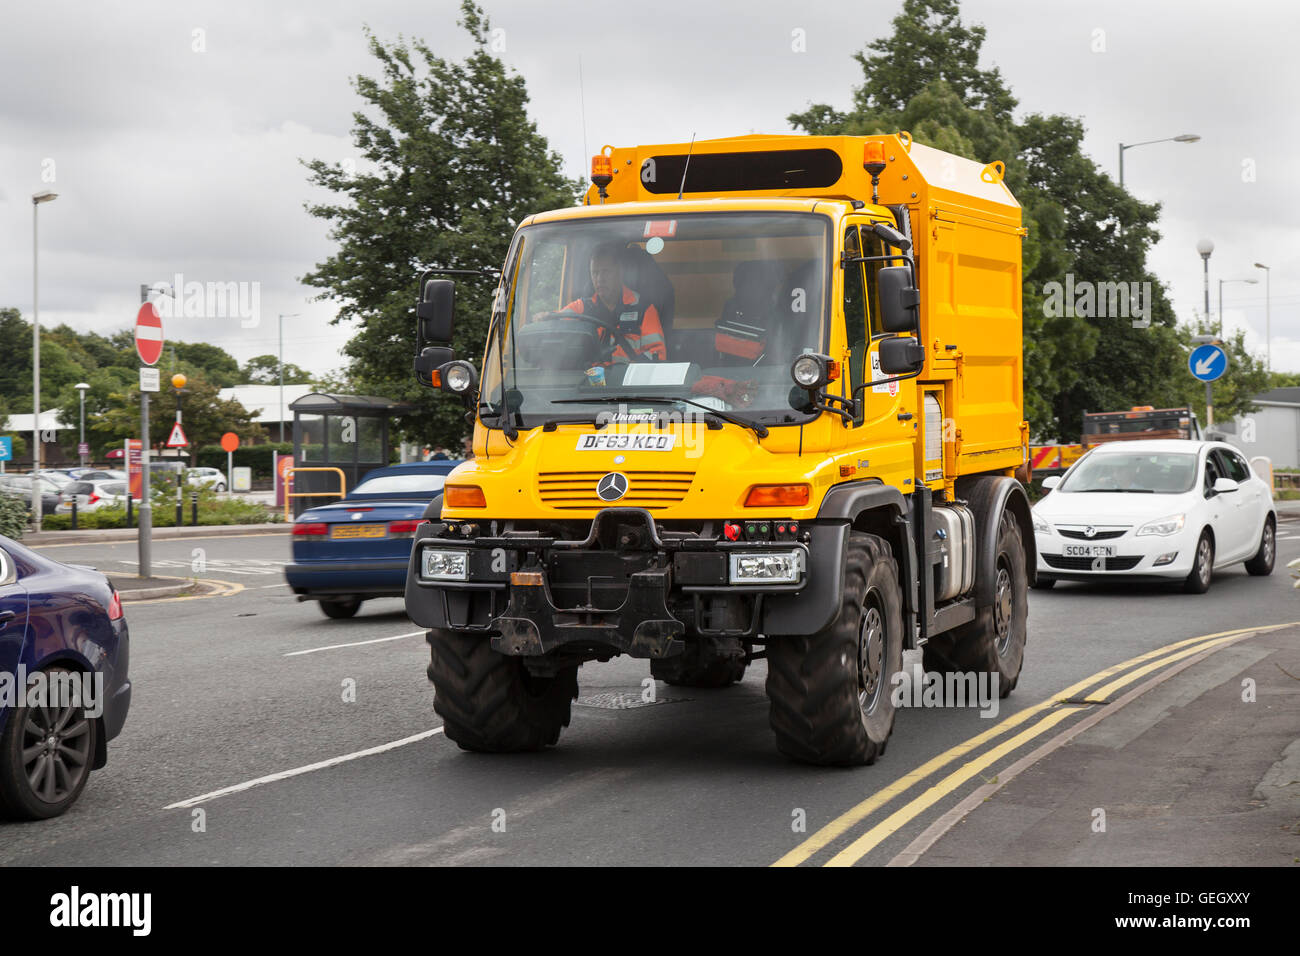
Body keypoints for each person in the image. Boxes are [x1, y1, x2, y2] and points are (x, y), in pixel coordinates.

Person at [561, 244, 667, 362]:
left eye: (606, 272)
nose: (600, 279)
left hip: (627, 379)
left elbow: (658, 354)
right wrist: (543, 317)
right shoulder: (581, 308)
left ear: (619, 273)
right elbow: (555, 322)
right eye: (595, 273)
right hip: (591, 379)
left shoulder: (644, 308)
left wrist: (630, 371)